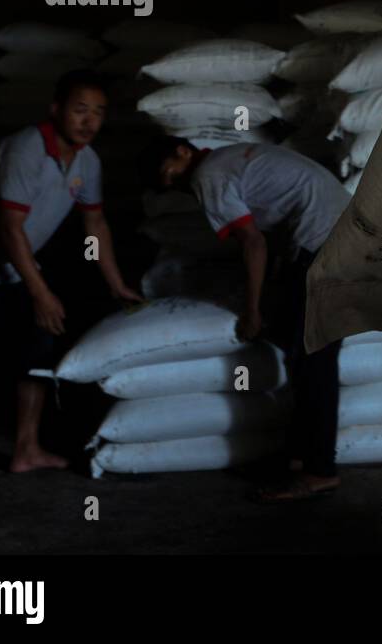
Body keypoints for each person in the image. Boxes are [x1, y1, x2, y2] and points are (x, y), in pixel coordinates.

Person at [0, 69, 142, 504]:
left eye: (99, 113)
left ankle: (26, 449)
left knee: (37, 349)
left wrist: (117, 283)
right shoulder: (25, 150)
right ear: (56, 110)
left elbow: (95, 223)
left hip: (17, 267)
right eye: (79, 110)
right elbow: (10, 230)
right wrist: (40, 291)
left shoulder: (88, 162)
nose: (89, 121)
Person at [138, 137, 351, 501]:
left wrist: (252, 311)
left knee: (315, 360)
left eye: (169, 174)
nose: (174, 184)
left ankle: (320, 471)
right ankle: (300, 458)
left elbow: (254, 243)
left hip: (327, 242)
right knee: (300, 352)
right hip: (341, 234)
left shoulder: (207, 176)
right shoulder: (228, 159)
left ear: (182, 152)